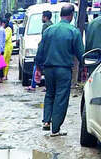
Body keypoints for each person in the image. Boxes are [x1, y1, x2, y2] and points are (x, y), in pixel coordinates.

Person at [34, 2, 83, 136]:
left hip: (48, 69)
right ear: (71, 15)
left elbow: (40, 51)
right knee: (61, 97)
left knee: (49, 94)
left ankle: (46, 121)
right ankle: (55, 128)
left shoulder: (49, 30)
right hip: (63, 69)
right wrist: (85, 66)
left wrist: (38, 68)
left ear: (61, 15)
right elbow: (80, 53)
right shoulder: (74, 31)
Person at [27, 11, 53, 91]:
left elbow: (44, 38)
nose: (42, 19)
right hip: (50, 50)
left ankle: (33, 85)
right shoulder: (52, 25)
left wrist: (40, 45)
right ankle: (47, 86)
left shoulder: (45, 25)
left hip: (44, 50)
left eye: (42, 17)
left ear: (45, 17)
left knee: (37, 66)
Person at [0, 13, 13, 82]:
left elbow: (1, 41)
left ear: (0, 22)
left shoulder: (1, 30)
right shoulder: (0, 30)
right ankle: (0, 78)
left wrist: (0, 51)